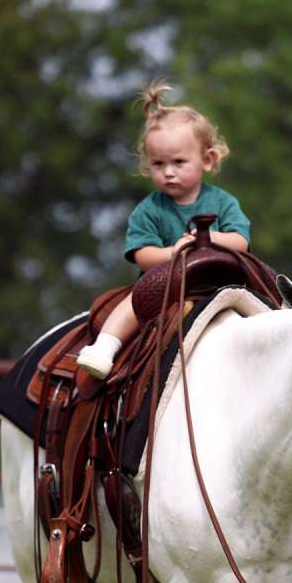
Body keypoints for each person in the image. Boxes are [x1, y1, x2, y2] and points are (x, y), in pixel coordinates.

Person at [76, 82, 250, 379]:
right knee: (133, 302)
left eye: (179, 162)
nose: (168, 171)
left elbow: (240, 242)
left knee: (264, 303)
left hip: (219, 284)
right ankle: (105, 347)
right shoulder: (149, 209)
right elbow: (143, 255)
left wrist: (211, 239)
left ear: (207, 159)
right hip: (165, 286)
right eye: (158, 164)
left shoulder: (222, 202)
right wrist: (173, 252)